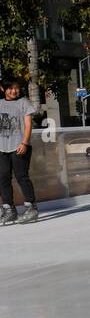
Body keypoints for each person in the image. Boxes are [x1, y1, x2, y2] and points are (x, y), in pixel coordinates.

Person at [0, 79, 38, 225]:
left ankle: (31, 208)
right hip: (2, 148)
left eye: (16, 88)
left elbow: (28, 125)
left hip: (19, 146)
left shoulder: (24, 102)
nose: (14, 91)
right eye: (10, 88)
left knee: (22, 177)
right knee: (3, 178)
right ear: (3, 88)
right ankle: (9, 209)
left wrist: (25, 143)